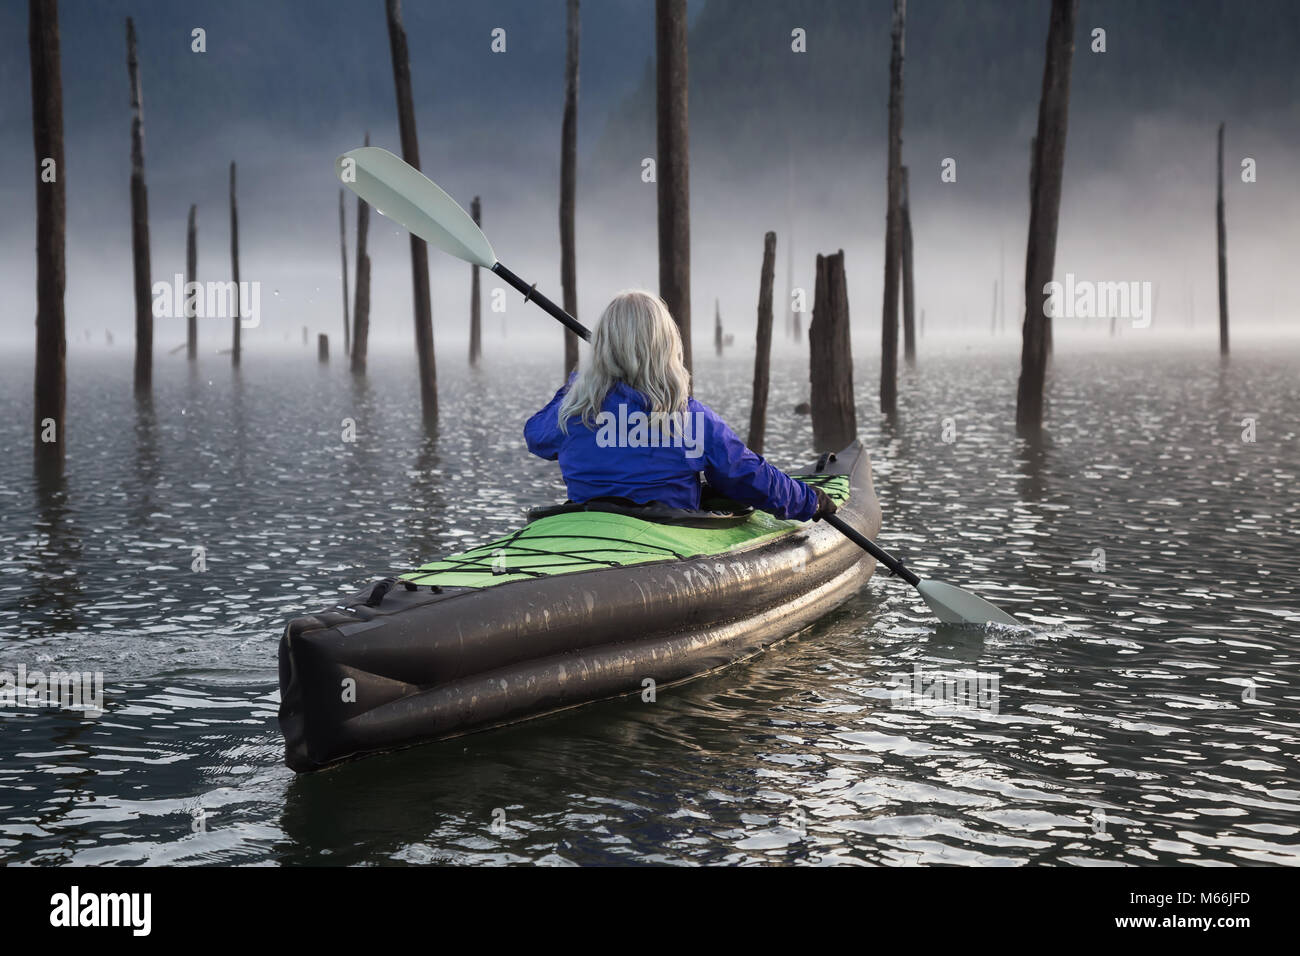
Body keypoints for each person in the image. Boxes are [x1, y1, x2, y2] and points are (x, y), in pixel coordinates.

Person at [524, 290, 837, 522]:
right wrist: (808, 501)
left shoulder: (573, 413)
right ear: (665, 347)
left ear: (602, 349)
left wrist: (575, 388)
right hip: (670, 533)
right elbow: (745, 476)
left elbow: (536, 438)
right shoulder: (691, 420)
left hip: (590, 527)